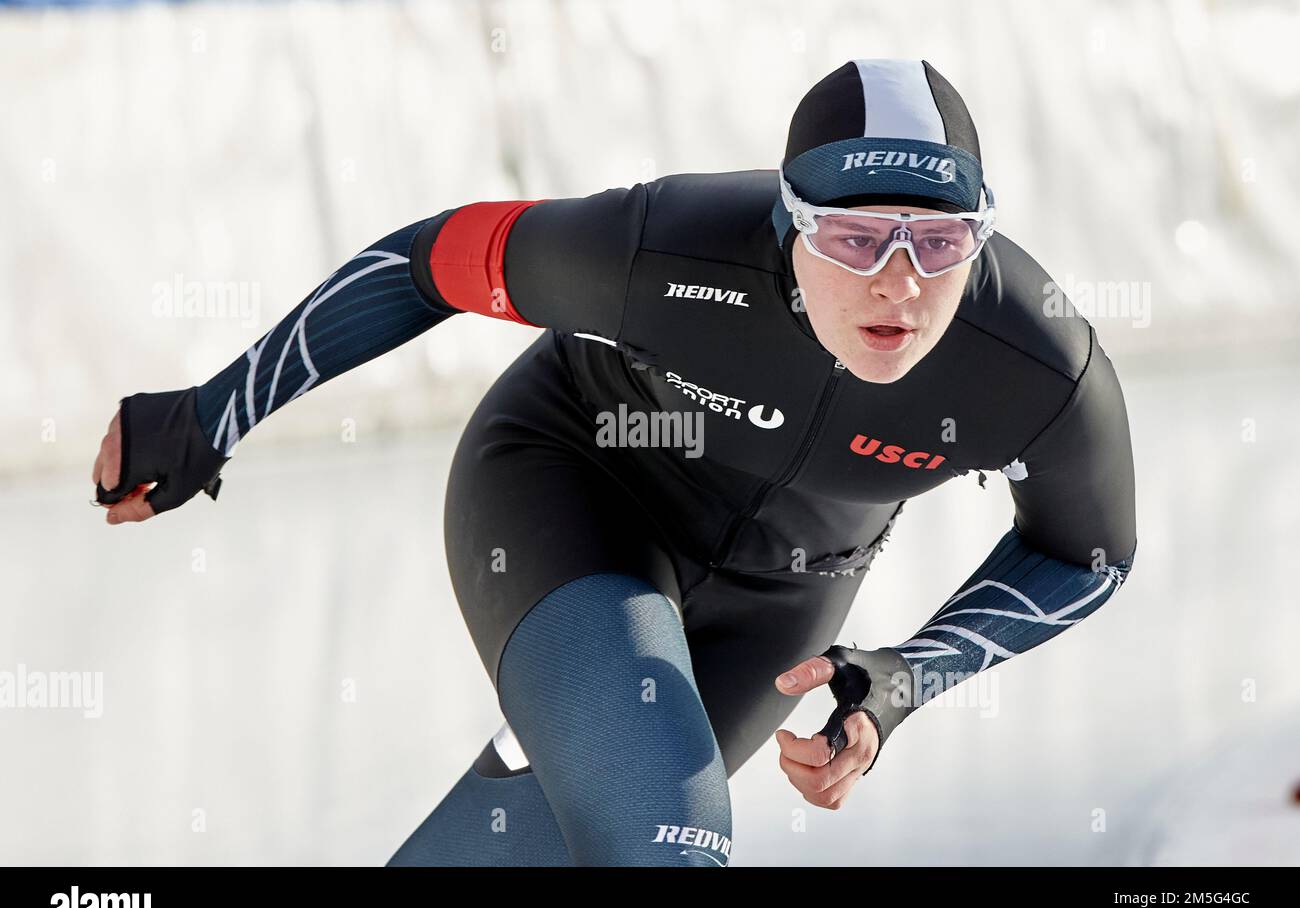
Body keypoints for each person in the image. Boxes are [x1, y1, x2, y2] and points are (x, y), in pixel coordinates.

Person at [92, 58, 1136, 866]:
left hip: (785, 601)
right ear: (787, 221)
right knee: (667, 834)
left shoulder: (1032, 362)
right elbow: (427, 262)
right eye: (857, 238)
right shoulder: (666, 251)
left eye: (940, 243)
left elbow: (1086, 553)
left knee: (555, 836)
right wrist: (207, 414)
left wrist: (906, 676)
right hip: (576, 493)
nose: (899, 284)